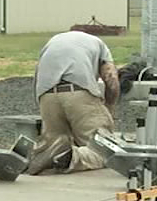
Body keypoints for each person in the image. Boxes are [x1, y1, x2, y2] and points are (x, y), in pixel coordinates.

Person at [25, 30, 121, 175]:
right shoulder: (100, 46)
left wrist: (44, 106)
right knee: (104, 148)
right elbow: (111, 79)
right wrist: (109, 107)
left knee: (55, 141)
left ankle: (46, 152)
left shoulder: (52, 42)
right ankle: (69, 155)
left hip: (46, 96)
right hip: (78, 92)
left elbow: (38, 74)